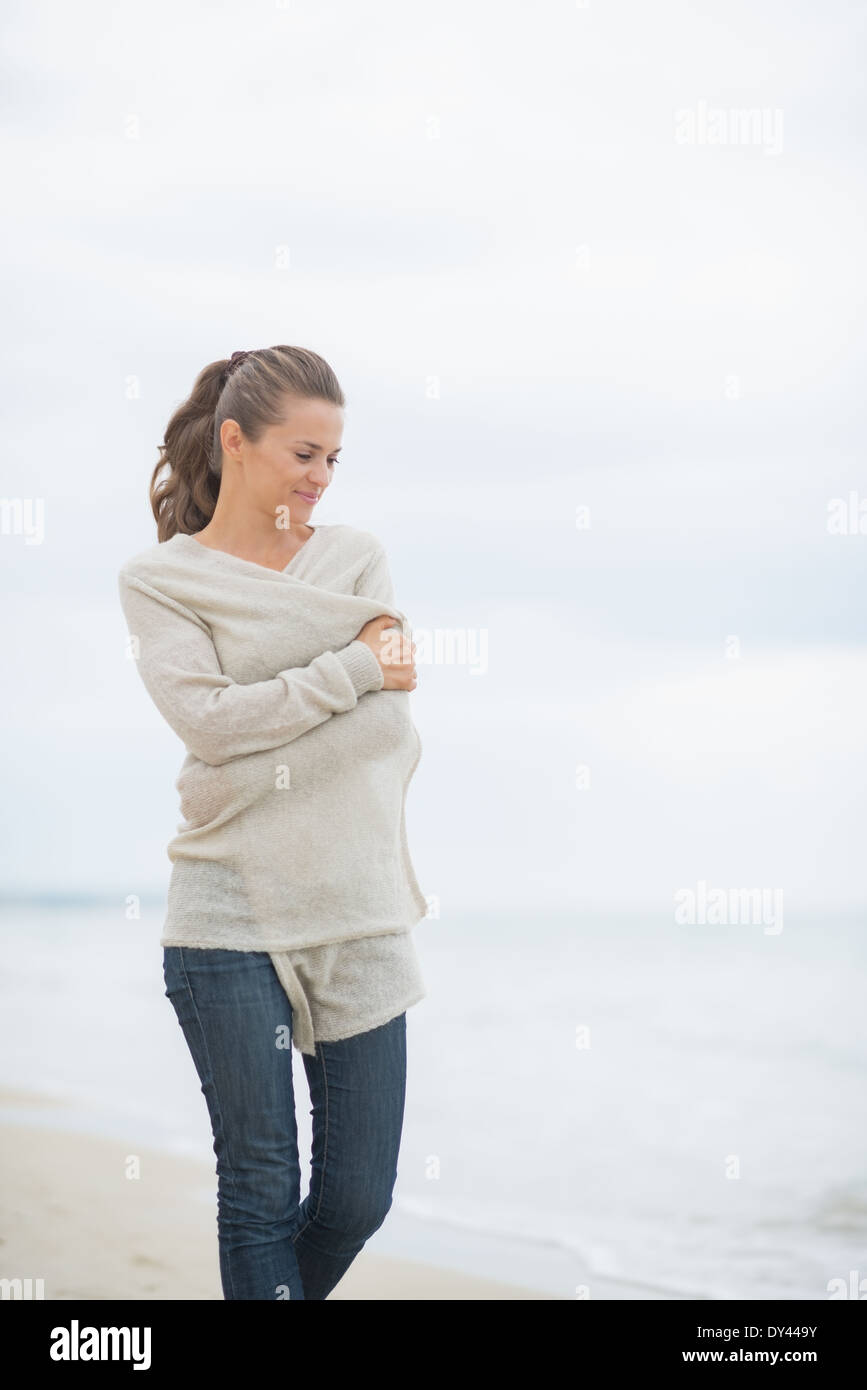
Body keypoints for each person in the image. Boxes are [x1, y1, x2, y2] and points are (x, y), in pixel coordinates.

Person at [117, 344, 429, 1300]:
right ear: (236, 442)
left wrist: (244, 751)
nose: (321, 478)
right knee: (257, 1191)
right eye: (304, 453)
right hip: (226, 922)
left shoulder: (354, 559)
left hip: (360, 914)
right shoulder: (162, 581)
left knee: (353, 1203)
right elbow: (205, 726)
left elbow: (385, 729)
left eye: (334, 459)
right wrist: (347, 673)